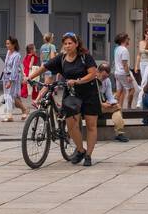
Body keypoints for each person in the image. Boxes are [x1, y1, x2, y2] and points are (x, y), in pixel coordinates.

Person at [30, 33, 101, 165]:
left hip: (89, 93)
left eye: (70, 43)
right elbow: (44, 67)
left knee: (91, 125)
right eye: (66, 43)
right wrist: (29, 77)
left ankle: (88, 156)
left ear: (76, 44)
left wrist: (78, 81)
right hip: (72, 94)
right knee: (71, 125)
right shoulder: (61, 58)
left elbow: (93, 74)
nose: (68, 46)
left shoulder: (86, 57)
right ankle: (80, 150)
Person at [97, 63, 130, 143]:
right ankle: (120, 133)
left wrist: (112, 103)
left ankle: (119, 133)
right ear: (98, 72)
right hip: (92, 105)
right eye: (103, 76)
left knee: (117, 107)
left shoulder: (107, 81)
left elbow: (109, 96)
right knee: (115, 107)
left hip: (102, 104)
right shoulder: (92, 80)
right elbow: (90, 97)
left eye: (106, 76)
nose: (104, 78)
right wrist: (101, 104)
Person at [0, 37, 29, 123]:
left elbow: (15, 69)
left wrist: (10, 81)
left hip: (13, 77)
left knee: (9, 96)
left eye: (9, 44)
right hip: (6, 76)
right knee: (10, 96)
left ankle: (9, 115)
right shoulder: (8, 52)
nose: (7, 45)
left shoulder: (17, 55)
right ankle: (24, 110)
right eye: (6, 44)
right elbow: (7, 65)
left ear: (14, 45)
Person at [111, 33, 137, 111]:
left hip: (117, 72)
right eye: (127, 38)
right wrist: (128, 75)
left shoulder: (117, 49)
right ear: (123, 40)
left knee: (119, 90)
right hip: (123, 73)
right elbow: (124, 64)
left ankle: (114, 107)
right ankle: (129, 108)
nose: (129, 40)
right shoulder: (124, 50)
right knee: (132, 89)